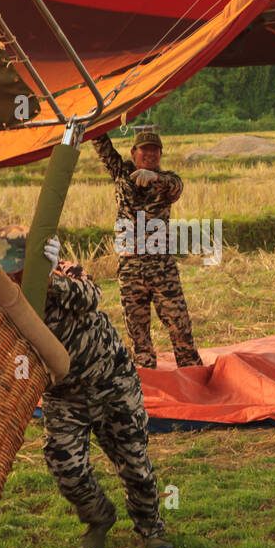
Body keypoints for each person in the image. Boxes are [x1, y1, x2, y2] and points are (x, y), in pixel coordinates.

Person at [0, 223, 173, 548]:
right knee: (66, 468)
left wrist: (51, 280)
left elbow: (92, 297)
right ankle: (99, 520)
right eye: (6, 270)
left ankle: (151, 528)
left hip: (112, 382)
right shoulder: (0, 298)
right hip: (64, 397)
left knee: (135, 464)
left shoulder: (63, 272)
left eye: (17, 268)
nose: (12, 277)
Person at [91, 127, 203, 369]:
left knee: (179, 326)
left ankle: (193, 374)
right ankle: (145, 382)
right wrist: (98, 120)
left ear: (160, 155)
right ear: (134, 152)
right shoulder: (121, 173)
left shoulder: (167, 181)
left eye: (155, 151)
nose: (150, 155)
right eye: (145, 150)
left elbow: (176, 186)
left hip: (161, 267)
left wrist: (155, 178)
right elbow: (102, 145)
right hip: (130, 267)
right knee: (138, 335)